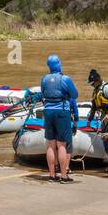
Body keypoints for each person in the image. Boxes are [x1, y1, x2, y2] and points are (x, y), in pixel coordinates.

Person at [39, 54, 78, 183]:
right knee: (62, 144)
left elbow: (43, 93)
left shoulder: (44, 79)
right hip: (62, 111)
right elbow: (75, 94)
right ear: (59, 64)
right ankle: (63, 175)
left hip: (48, 111)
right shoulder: (65, 79)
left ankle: (51, 175)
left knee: (51, 144)